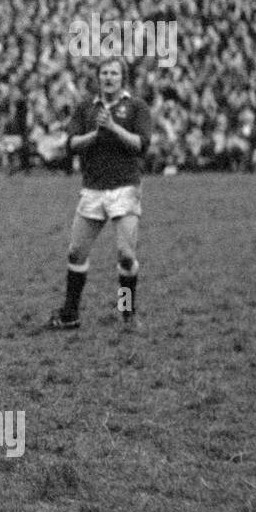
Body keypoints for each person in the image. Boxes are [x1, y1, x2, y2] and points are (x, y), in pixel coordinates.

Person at [48, 57, 153, 331]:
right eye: (104, 73)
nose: (108, 78)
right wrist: (96, 133)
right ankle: (71, 314)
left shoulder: (137, 107)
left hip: (125, 187)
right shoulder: (85, 108)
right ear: (98, 77)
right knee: (75, 253)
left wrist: (114, 129)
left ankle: (127, 312)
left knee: (126, 255)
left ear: (122, 78)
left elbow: (141, 145)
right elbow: (71, 144)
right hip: (93, 188)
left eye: (114, 73)